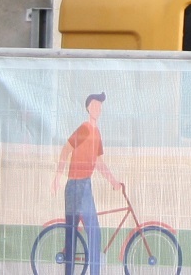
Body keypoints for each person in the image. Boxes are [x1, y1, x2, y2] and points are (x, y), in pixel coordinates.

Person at [53, 92, 120, 274]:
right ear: (88, 108)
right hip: (76, 185)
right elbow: (66, 150)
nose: (98, 108)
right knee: (82, 233)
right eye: (95, 105)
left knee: (82, 234)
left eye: (100, 106)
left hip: (85, 185)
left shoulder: (96, 133)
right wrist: (58, 177)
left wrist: (114, 181)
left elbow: (98, 161)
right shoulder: (84, 128)